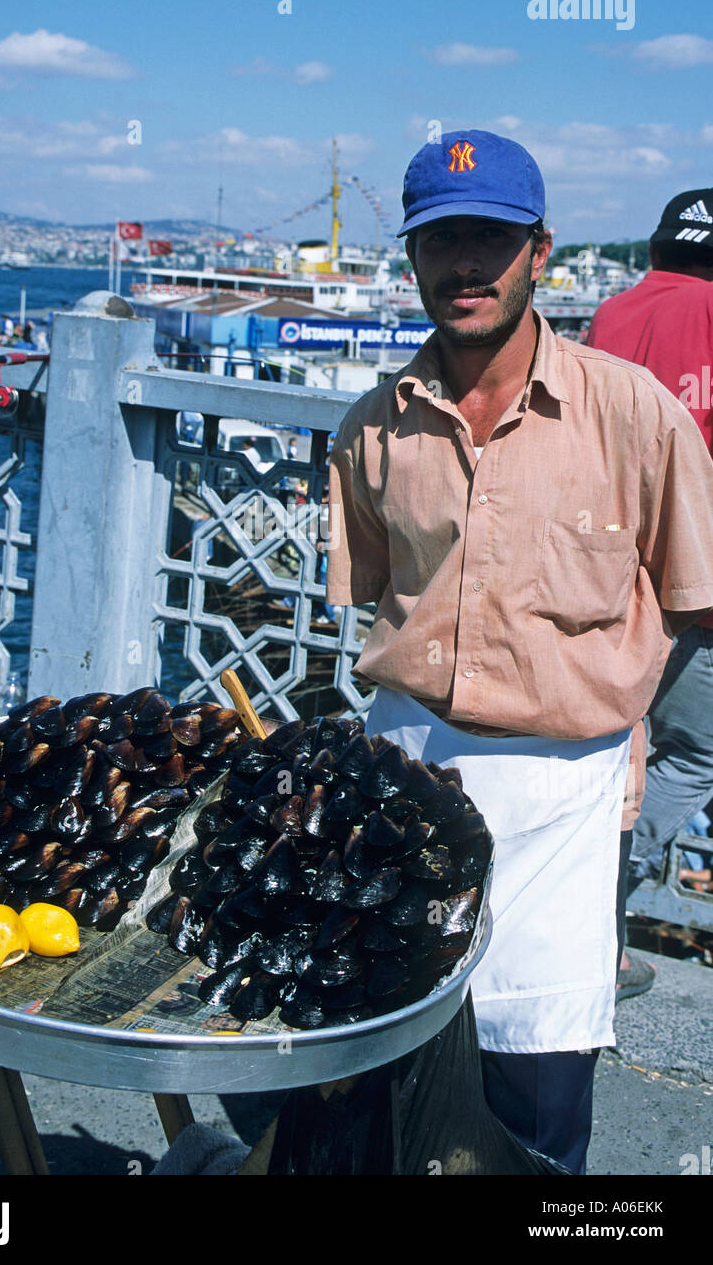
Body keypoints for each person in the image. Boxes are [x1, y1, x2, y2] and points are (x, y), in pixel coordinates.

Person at [327, 129, 713, 1173]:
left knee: (536, 1099)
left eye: (490, 239)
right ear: (409, 258)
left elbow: (694, 592)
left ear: (539, 251)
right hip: (407, 776)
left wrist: (621, 719)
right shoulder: (372, 428)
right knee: (386, 1077)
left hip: (564, 802)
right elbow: (375, 602)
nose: (465, 264)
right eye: (441, 238)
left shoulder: (633, 414)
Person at [587, 193, 713, 907]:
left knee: (605, 736)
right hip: (692, 581)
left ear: (657, 251)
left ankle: (577, 886)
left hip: (599, 568)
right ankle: (606, 895)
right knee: (692, 753)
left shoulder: (610, 315)